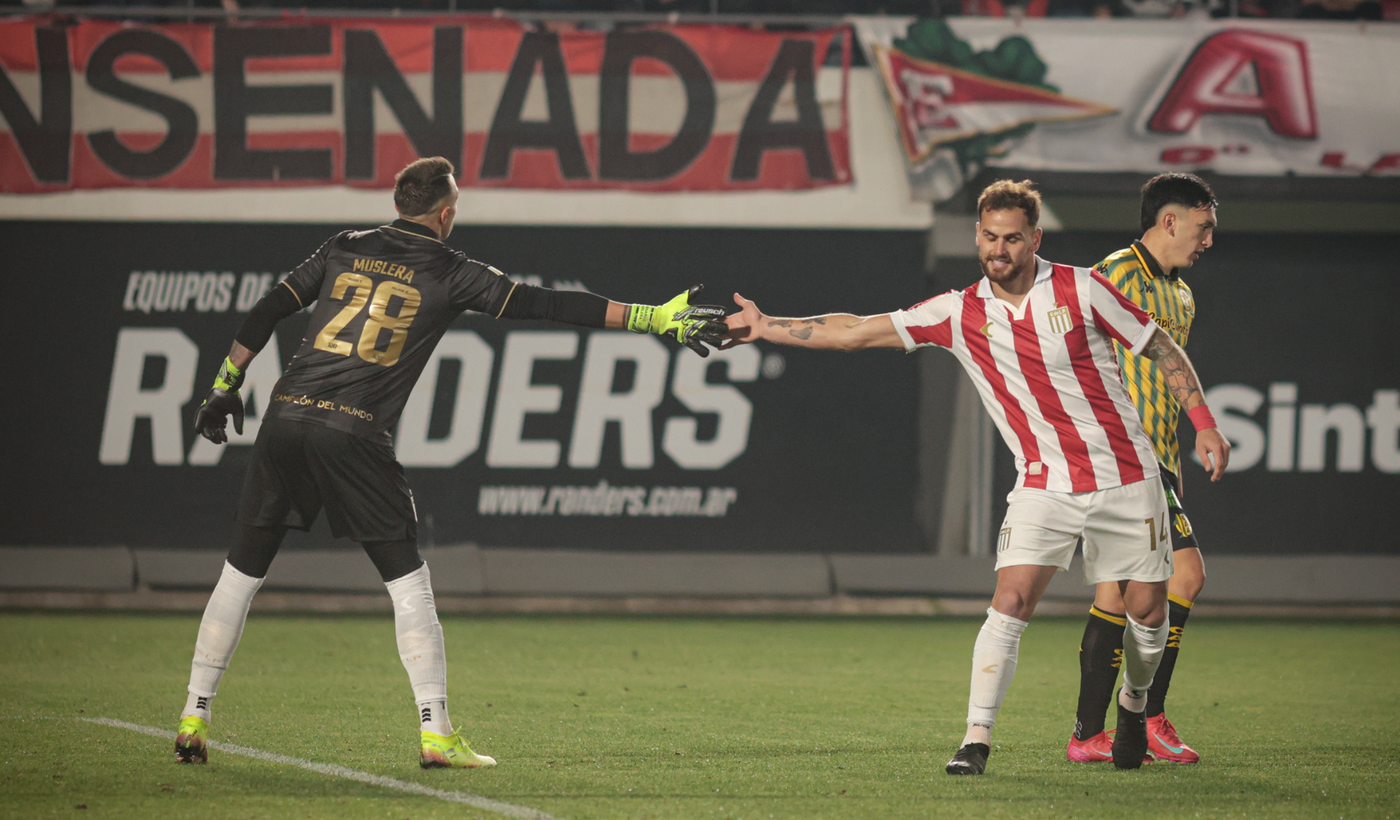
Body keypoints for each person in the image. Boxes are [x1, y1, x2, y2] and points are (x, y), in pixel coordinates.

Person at [174, 156, 726, 769]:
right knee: (409, 583)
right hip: (352, 432)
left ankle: (193, 715)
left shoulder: (343, 246)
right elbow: (547, 305)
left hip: (284, 419)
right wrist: (653, 318)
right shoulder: (451, 269)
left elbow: (268, 309)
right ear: (445, 213)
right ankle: (436, 733)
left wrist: (225, 383)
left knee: (240, 575)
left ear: (397, 201)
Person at [718, 179, 1230, 774]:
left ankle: (1134, 706)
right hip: (1044, 483)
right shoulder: (959, 312)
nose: (999, 249)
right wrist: (767, 325)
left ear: (1035, 238)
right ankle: (975, 740)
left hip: (1127, 475)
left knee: (1147, 611)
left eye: (1013, 238)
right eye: (989, 237)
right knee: (1008, 603)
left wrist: (1205, 424)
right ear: (977, 237)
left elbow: (1161, 348)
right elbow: (855, 330)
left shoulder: (1084, 289)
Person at [1066, 173, 1218, 765]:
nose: (1208, 240)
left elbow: (1164, 377)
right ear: (1170, 220)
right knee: (1186, 577)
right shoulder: (1115, 275)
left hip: (1159, 458)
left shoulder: (1181, 295)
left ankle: (1086, 737)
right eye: (1203, 227)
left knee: (1114, 592)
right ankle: (1148, 715)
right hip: (1121, 457)